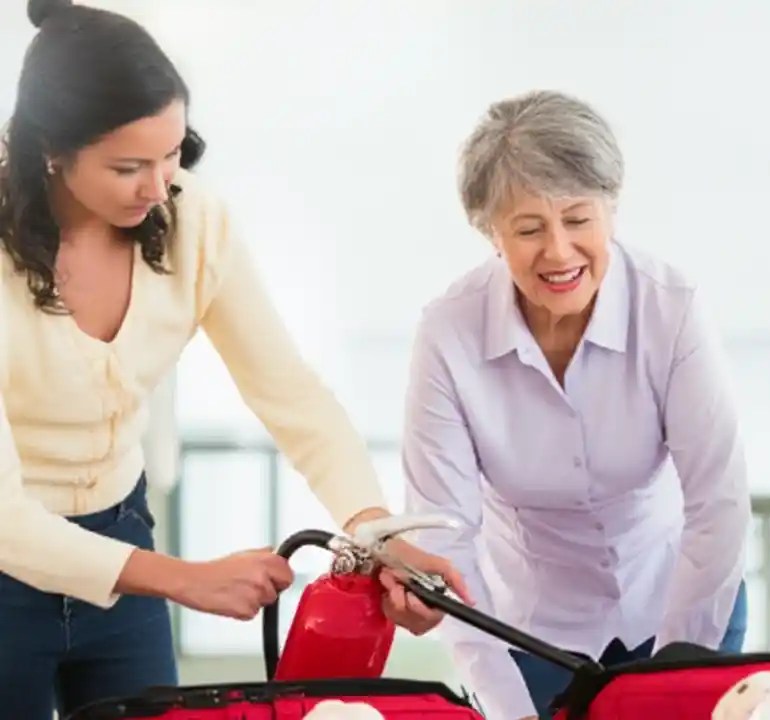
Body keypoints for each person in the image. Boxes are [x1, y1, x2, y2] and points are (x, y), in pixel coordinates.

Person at [0, 1, 470, 717]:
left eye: (171, 154)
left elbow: (289, 392)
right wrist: (185, 579)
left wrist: (374, 529)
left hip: (122, 537)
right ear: (50, 150)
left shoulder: (192, 219)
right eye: (128, 167)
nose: (160, 187)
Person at [402, 89, 752, 720]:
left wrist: (671, 684)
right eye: (528, 229)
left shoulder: (671, 308)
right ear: (490, 233)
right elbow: (443, 539)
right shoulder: (448, 332)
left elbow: (718, 504)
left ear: (611, 210)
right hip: (532, 634)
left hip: (680, 599)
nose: (559, 252)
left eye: (578, 219)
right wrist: (508, 706)